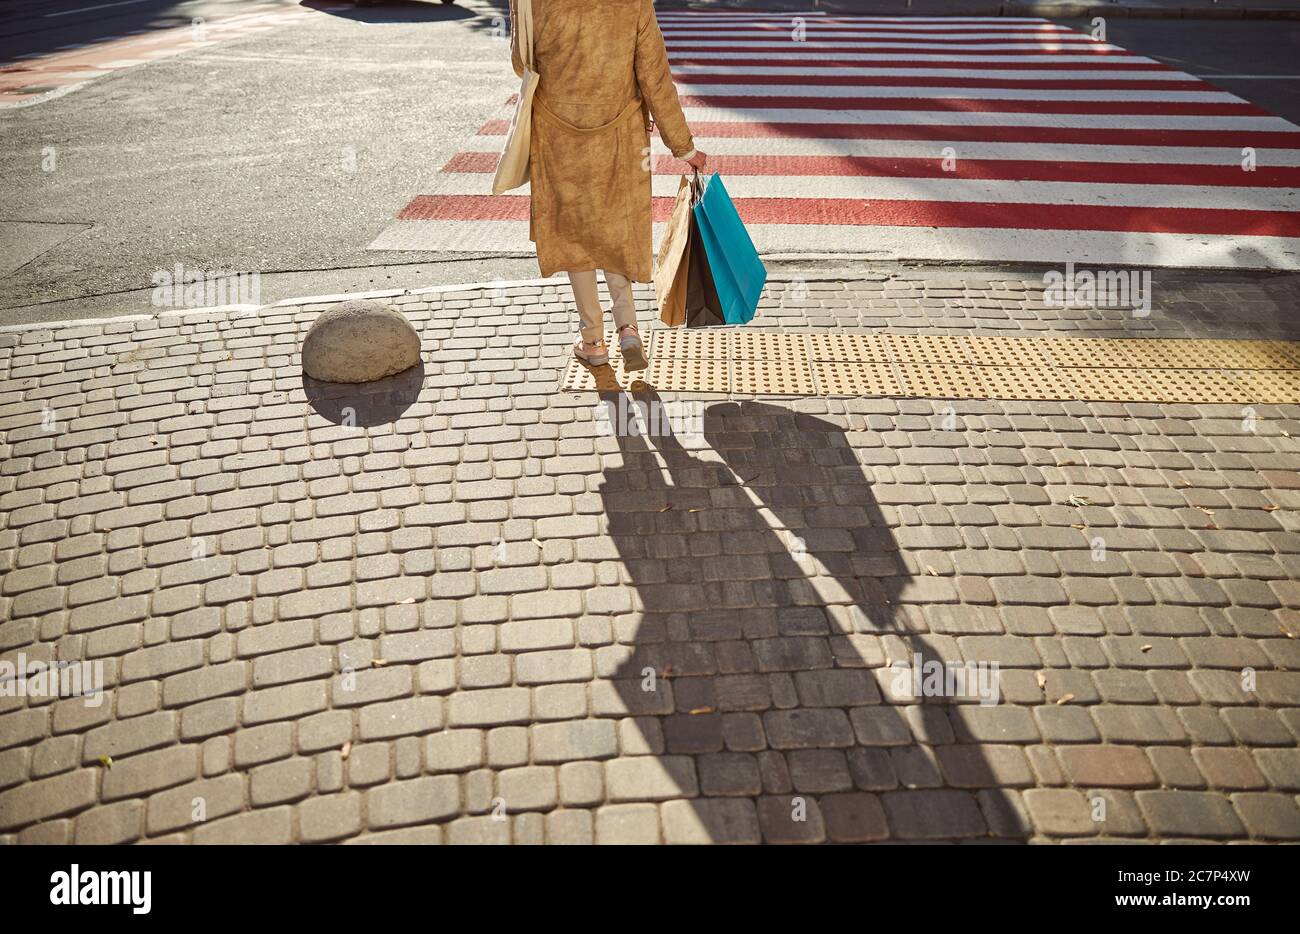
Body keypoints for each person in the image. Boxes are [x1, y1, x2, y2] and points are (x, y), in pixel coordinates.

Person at [510, 0, 708, 370]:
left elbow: (522, 64)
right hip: (621, 134)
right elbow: (655, 76)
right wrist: (684, 147)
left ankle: (593, 341)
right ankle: (629, 327)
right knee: (617, 230)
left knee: (574, 237)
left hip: (558, 133)